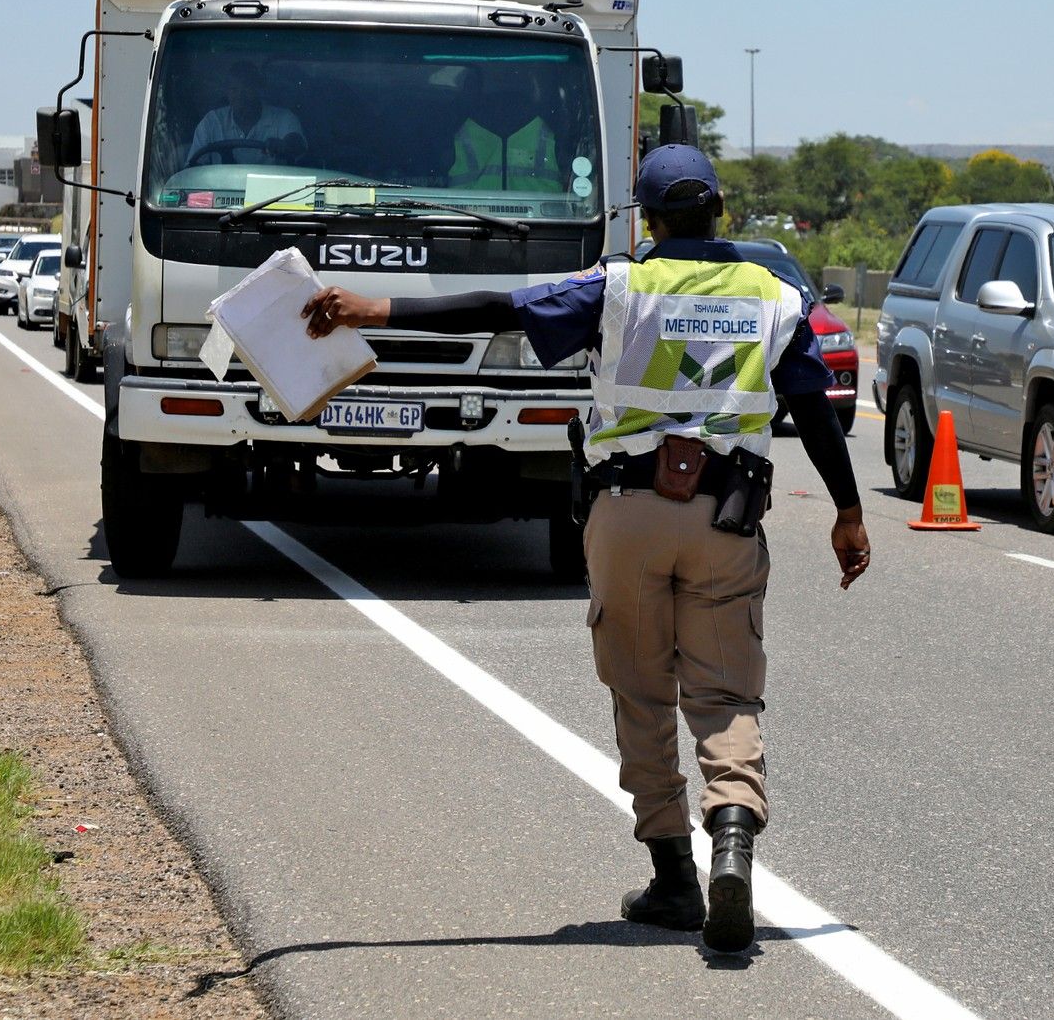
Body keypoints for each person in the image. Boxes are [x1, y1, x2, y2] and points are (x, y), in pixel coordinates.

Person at [302, 144, 871, 954]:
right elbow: (815, 408)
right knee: (726, 694)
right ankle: (733, 845)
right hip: (727, 519)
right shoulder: (775, 294)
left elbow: (497, 307)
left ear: (647, 217)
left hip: (627, 513)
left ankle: (676, 878)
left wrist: (374, 310)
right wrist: (848, 511)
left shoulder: (618, 284)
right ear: (719, 210)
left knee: (643, 692)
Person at [446, 65, 563, 192]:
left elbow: (433, 181)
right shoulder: (552, 127)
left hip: (459, 210)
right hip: (545, 211)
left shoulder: (456, 127)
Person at [185, 61, 307, 165]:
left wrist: (284, 145)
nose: (240, 96)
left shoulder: (283, 118)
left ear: (259, 89)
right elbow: (193, 169)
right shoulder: (212, 122)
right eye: (234, 89)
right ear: (227, 92)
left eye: (247, 87)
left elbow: (296, 144)